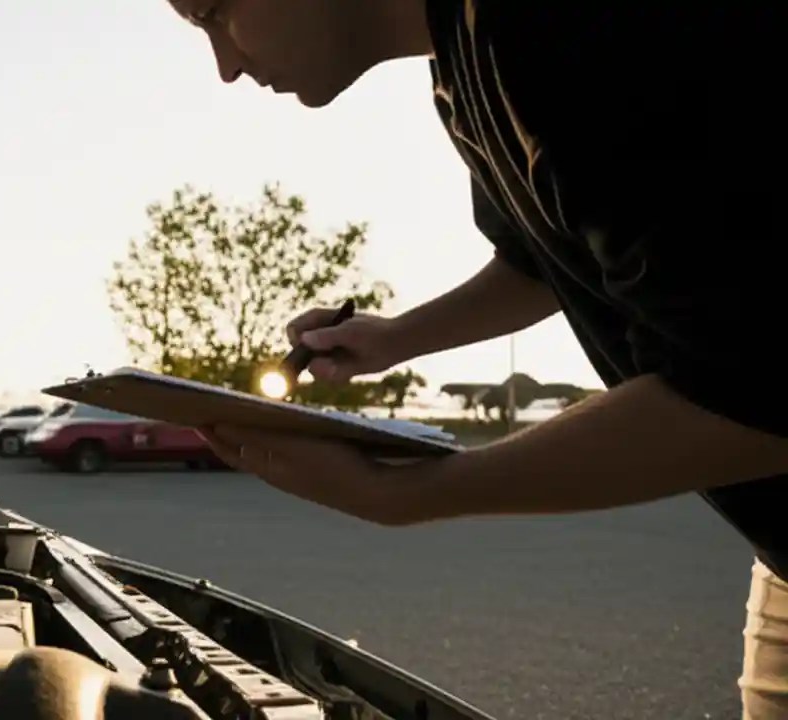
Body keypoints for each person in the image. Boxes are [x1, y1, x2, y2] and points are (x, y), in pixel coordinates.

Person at [165, 1, 785, 716]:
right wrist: (396, 338)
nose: (225, 66)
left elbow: (754, 395)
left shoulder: (568, 32)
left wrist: (409, 494)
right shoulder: (462, 67)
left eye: (213, 13)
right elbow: (543, 256)